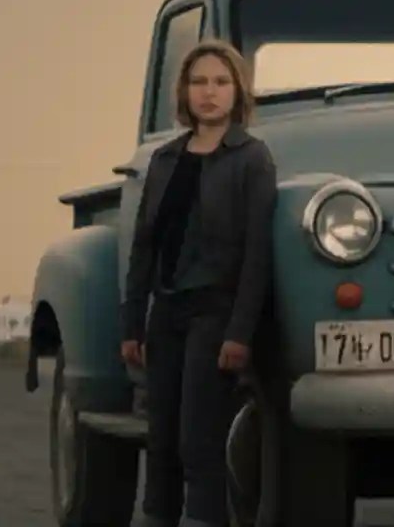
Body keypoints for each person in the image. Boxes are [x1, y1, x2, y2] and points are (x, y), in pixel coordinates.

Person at [121, 38, 278, 527]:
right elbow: (145, 246)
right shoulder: (166, 159)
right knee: (160, 438)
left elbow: (258, 253)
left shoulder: (251, 158)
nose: (209, 92)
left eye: (220, 82)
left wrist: (239, 332)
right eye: (198, 82)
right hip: (165, 313)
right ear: (184, 92)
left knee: (198, 441)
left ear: (237, 91)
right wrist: (133, 323)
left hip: (216, 314)